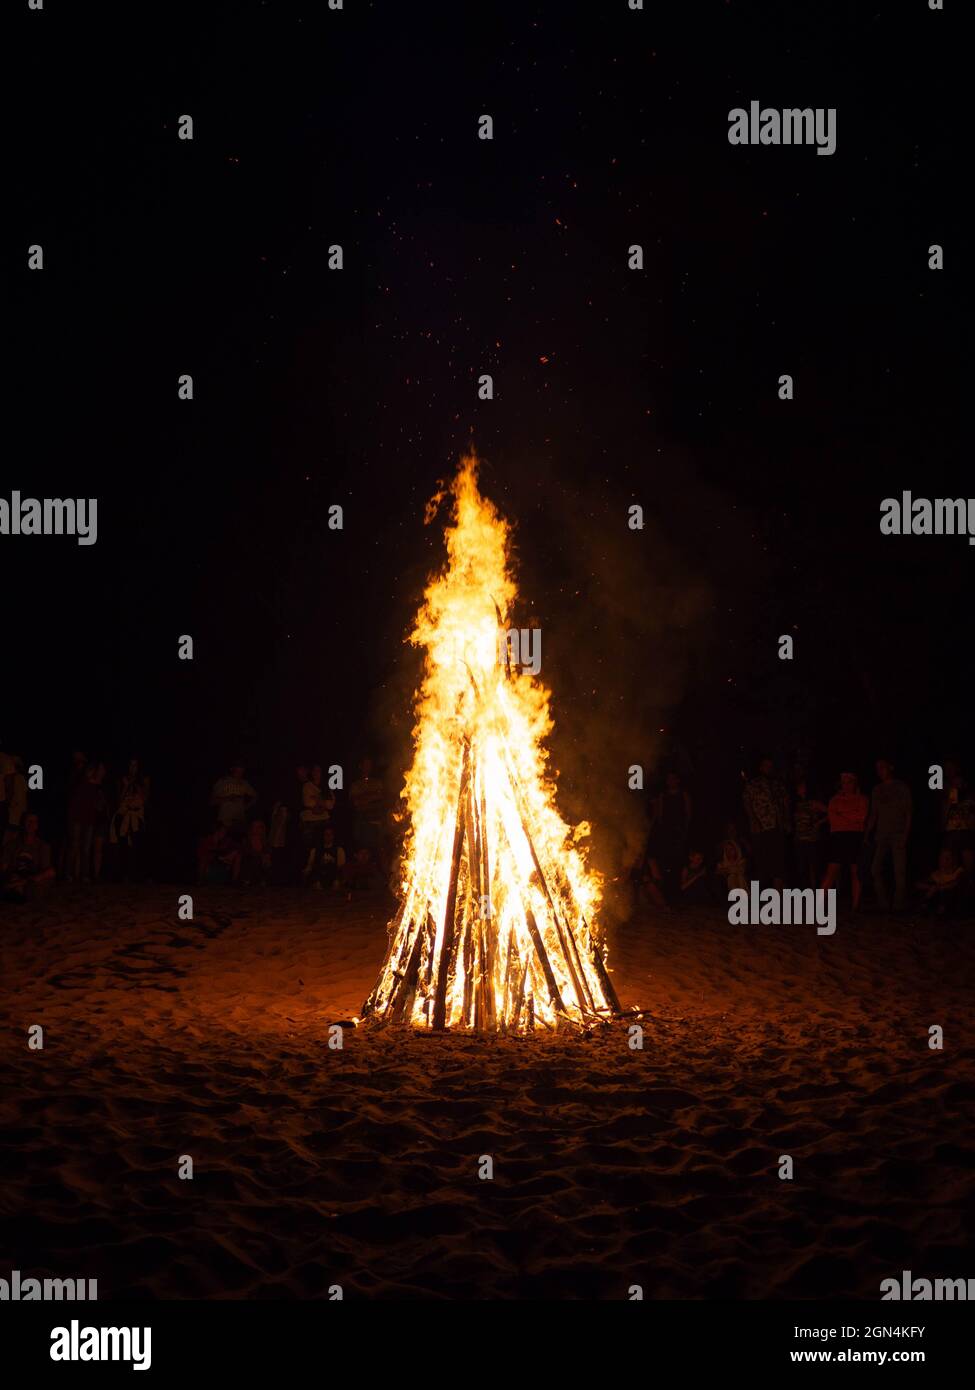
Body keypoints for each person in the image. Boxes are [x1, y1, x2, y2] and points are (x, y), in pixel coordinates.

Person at [866, 758, 912, 913]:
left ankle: (898, 905)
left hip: (898, 833)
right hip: (881, 835)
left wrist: (905, 834)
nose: (880, 771)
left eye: (882, 767)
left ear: (890, 767)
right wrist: (867, 833)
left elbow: (908, 813)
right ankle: (883, 904)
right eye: (877, 768)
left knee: (899, 871)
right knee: (875, 869)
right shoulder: (876, 790)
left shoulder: (901, 787)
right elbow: (874, 814)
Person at [821, 771, 868, 910]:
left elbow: (861, 817)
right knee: (831, 871)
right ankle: (819, 904)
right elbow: (833, 819)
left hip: (855, 837)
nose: (846, 785)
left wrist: (841, 814)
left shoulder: (862, 799)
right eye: (844, 782)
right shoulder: (834, 800)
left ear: (855, 783)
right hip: (838, 837)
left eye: (850, 782)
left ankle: (855, 906)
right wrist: (849, 816)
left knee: (856, 871)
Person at [644, 770, 693, 903]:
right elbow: (659, 815)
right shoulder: (663, 795)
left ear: (677, 780)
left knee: (677, 864)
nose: (670, 781)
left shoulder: (684, 794)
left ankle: (677, 896)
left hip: (679, 834)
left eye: (673, 778)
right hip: (666, 834)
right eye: (668, 779)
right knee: (666, 865)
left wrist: (684, 832)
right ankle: (667, 896)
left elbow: (688, 814)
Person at [743, 757, 790, 891]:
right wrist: (753, 821)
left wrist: (786, 821)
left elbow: (785, 803)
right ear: (761, 767)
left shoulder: (778, 784)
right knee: (761, 860)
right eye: (766, 765)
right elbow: (747, 803)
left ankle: (778, 894)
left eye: (771, 765)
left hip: (778, 826)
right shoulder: (753, 784)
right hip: (761, 826)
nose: (768, 768)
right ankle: (759, 894)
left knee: (779, 860)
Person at [67, 762, 109, 883]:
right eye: (89, 770)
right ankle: (69, 873)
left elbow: (98, 804)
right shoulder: (80, 783)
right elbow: (75, 801)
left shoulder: (97, 787)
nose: (91, 773)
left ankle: (84, 875)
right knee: (74, 846)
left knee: (85, 848)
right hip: (77, 818)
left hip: (89, 820)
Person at [0, 813, 54, 903]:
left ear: (37, 825)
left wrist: (25, 881)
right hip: (15, 877)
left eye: (34, 822)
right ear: (23, 824)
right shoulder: (12, 845)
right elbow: (3, 867)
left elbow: (47, 870)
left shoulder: (42, 846)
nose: (31, 825)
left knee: (43, 879)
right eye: (28, 821)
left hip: (30, 879)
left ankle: (18, 891)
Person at [110, 758, 149, 881]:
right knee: (123, 846)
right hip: (123, 815)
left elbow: (145, 798)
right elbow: (118, 800)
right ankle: (123, 874)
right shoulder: (122, 780)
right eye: (131, 765)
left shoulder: (143, 780)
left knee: (137, 845)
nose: (133, 768)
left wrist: (137, 787)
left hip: (136, 816)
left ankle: (136, 875)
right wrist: (126, 786)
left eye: (135, 765)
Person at [300, 764, 335, 883]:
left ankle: (321, 878)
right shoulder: (307, 786)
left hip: (324, 821)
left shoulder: (326, 788)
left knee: (322, 850)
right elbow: (308, 803)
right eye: (314, 770)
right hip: (310, 823)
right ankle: (308, 878)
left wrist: (318, 801)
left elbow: (331, 805)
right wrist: (322, 804)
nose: (316, 773)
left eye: (319, 771)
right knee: (310, 849)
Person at [792, 776, 828, 889]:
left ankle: (816, 889)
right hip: (799, 839)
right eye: (798, 787)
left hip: (812, 839)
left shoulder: (813, 803)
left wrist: (819, 823)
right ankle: (805, 891)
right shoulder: (796, 804)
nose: (799, 788)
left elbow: (830, 813)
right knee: (802, 867)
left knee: (814, 867)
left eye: (802, 786)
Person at [349, 757, 385, 862]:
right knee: (362, 852)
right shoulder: (355, 784)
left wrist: (365, 798)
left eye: (369, 764)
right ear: (360, 766)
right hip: (361, 824)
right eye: (365, 764)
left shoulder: (377, 782)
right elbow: (356, 803)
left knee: (376, 853)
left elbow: (381, 798)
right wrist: (372, 796)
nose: (368, 767)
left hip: (376, 823)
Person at [942, 770, 975, 878]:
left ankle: (969, 885)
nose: (957, 785)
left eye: (959, 783)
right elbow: (943, 818)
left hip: (966, 832)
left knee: (968, 864)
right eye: (954, 783)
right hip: (951, 832)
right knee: (951, 864)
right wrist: (948, 803)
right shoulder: (949, 797)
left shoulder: (970, 798)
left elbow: (972, 819)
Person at [916, 849, 966, 917]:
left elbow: (956, 884)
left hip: (955, 903)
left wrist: (938, 888)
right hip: (938, 901)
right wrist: (931, 888)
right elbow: (918, 884)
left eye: (948, 858)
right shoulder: (937, 874)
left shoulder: (958, 872)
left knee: (946, 892)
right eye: (942, 858)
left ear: (953, 859)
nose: (944, 861)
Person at [210, 764, 257, 831]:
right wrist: (228, 798)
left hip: (239, 821)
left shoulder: (244, 783)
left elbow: (255, 796)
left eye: (242, 772)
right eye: (237, 771)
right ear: (232, 769)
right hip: (224, 821)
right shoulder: (223, 781)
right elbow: (212, 801)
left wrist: (246, 807)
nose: (239, 774)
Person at [716, 823, 748, 893]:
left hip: (740, 879)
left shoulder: (741, 861)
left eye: (731, 849)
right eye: (727, 850)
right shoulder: (722, 862)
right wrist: (728, 871)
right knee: (731, 878)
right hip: (728, 880)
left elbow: (742, 869)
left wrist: (733, 870)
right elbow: (719, 871)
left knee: (739, 877)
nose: (729, 852)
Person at [240, 820, 271, 887]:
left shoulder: (265, 841)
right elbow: (245, 852)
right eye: (255, 827)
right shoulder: (247, 840)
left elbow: (267, 852)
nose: (256, 829)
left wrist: (265, 856)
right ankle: (247, 880)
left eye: (258, 827)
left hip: (262, 861)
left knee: (265, 861)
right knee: (252, 860)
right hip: (249, 860)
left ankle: (263, 880)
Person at [317, 825, 346, 890]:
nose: (328, 836)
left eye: (330, 834)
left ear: (333, 836)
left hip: (333, 876)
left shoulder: (339, 850)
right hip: (319, 875)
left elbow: (341, 866)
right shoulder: (316, 850)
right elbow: (312, 865)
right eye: (326, 834)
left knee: (336, 884)